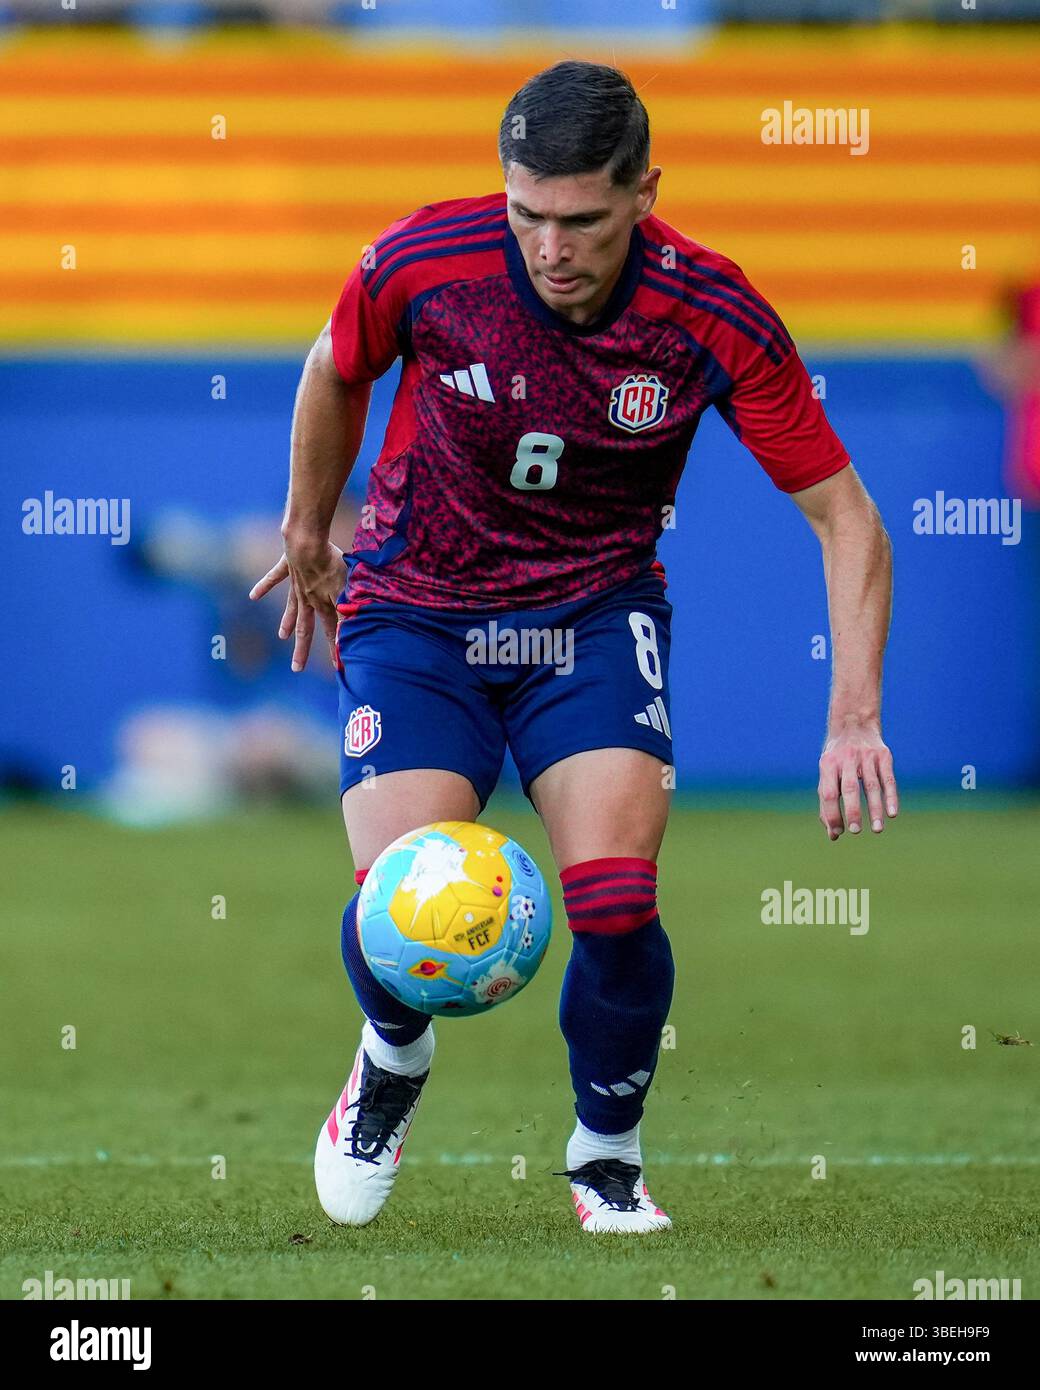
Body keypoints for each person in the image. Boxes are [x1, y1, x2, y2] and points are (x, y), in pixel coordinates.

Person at [250, 60, 899, 1234]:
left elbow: (845, 515)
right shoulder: (422, 260)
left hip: (589, 620)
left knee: (609, 900)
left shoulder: (709, 311)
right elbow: (333, 365)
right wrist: (307, 527)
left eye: (583, 219)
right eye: (527, 214)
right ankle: (390, 1061)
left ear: (643, 193)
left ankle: (605, 1155)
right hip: (418, 611)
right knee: (398, 908)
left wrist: (850, 714)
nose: (551, 245)